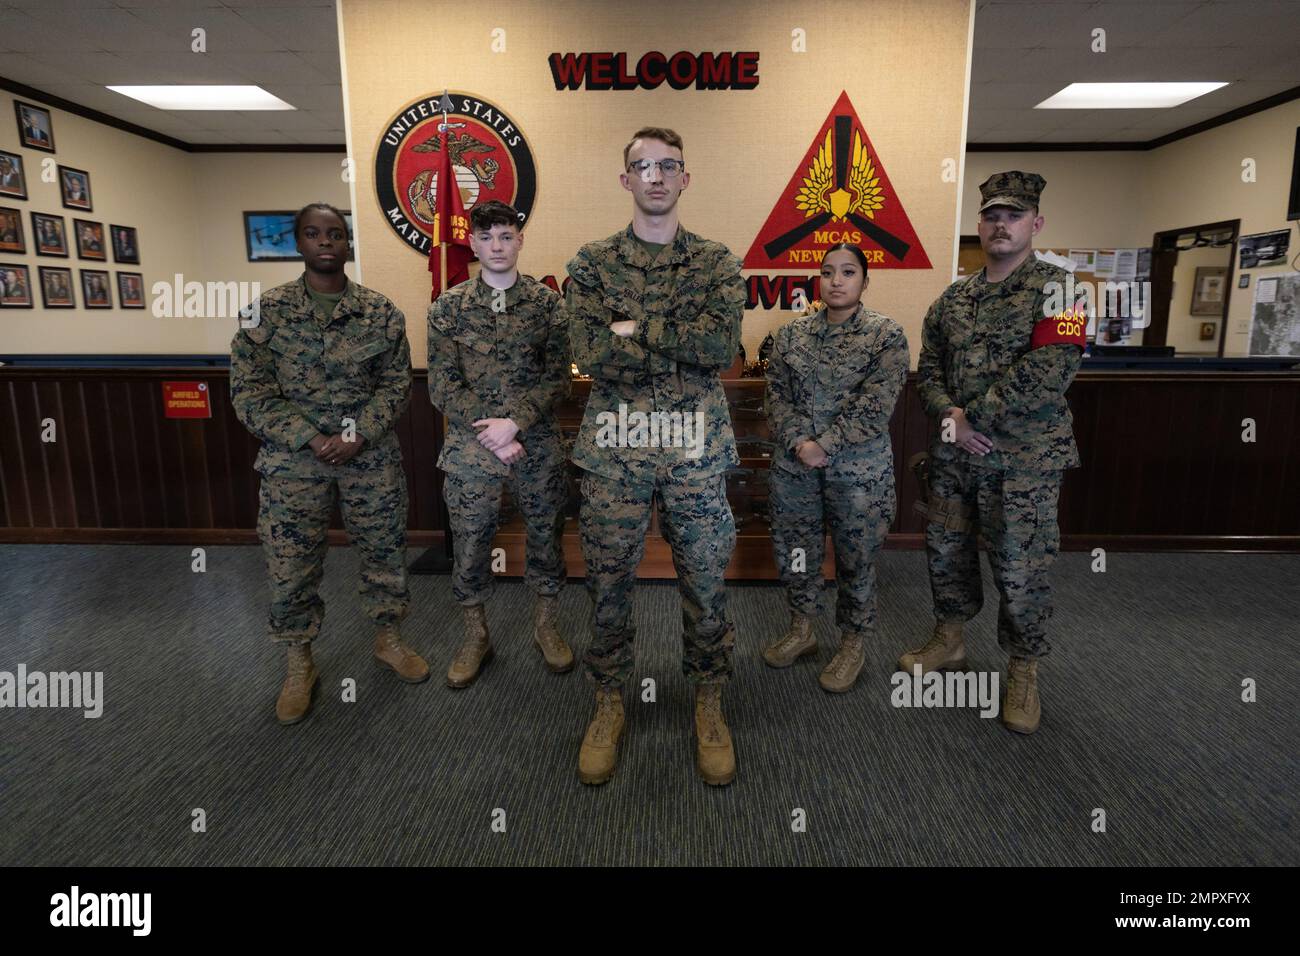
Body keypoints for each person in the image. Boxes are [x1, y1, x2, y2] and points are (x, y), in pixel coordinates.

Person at [566, 126, 746, 786]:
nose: (656, 176)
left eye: (669, 165)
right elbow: (588, 349)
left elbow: (720, 347)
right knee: (608, 585)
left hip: (695, 451)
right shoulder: (591, 262)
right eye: (643, 166)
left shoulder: (718, 262)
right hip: (615, 452)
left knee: (704, 583)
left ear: (685, 178)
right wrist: (672, 333)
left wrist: (634, 325)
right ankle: (609, 701)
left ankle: (708, 702)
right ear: (626, 180)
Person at [903, 171, 1087, 735]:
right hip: (958, 456)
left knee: (1021, 565)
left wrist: (971, 416)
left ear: (1036, 223)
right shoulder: (955, 297)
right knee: (947, 550)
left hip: (1023, 461)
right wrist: (948, 415)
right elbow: (929, 367)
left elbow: (1049, 373)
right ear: (979, 225)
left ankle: (1024, 668)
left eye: (1013, 215)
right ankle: (950, 638)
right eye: (991, 215)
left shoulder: (1065, 291)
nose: (1000, 224)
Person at [230, 201, 426, 725]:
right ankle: (299, 663)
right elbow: (249, 394)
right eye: (314, 234)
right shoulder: (263, 313)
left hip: (370, 460)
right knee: (291, 566)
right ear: (298, 243)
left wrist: (356, 432)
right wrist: (312, 438)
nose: (325, 242)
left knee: (384, 553)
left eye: (335, 234)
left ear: (347, 243)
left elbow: (396, 383)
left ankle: (388, 639)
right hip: (295, 465)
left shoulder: (380, 312)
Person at [426, 199, 573, 687]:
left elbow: (559, 380)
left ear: (520, 240)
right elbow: (442, 386)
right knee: (470, 543)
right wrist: (493, 432)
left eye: (506, 236)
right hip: (473, 446)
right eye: (486, 237)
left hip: (537, 443)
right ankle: (476, 635)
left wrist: (516, 423)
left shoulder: (548, 305)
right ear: (472, 243)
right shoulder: (448, 308)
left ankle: (546, 627)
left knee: (546, 538)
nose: (497, 246)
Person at [762, 244, 909, 691]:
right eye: (827, 272)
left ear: (865, 281)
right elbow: (776, 397)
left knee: (855, 560)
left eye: (848, 272)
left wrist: (824, 444)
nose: (836, 280)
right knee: (797, 553)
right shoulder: (791, 336)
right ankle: (803, 630)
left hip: (858, 476)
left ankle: (851, 644)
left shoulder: (886, 336)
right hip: (796, 472)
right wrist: (799, 443)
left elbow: (875, 405)